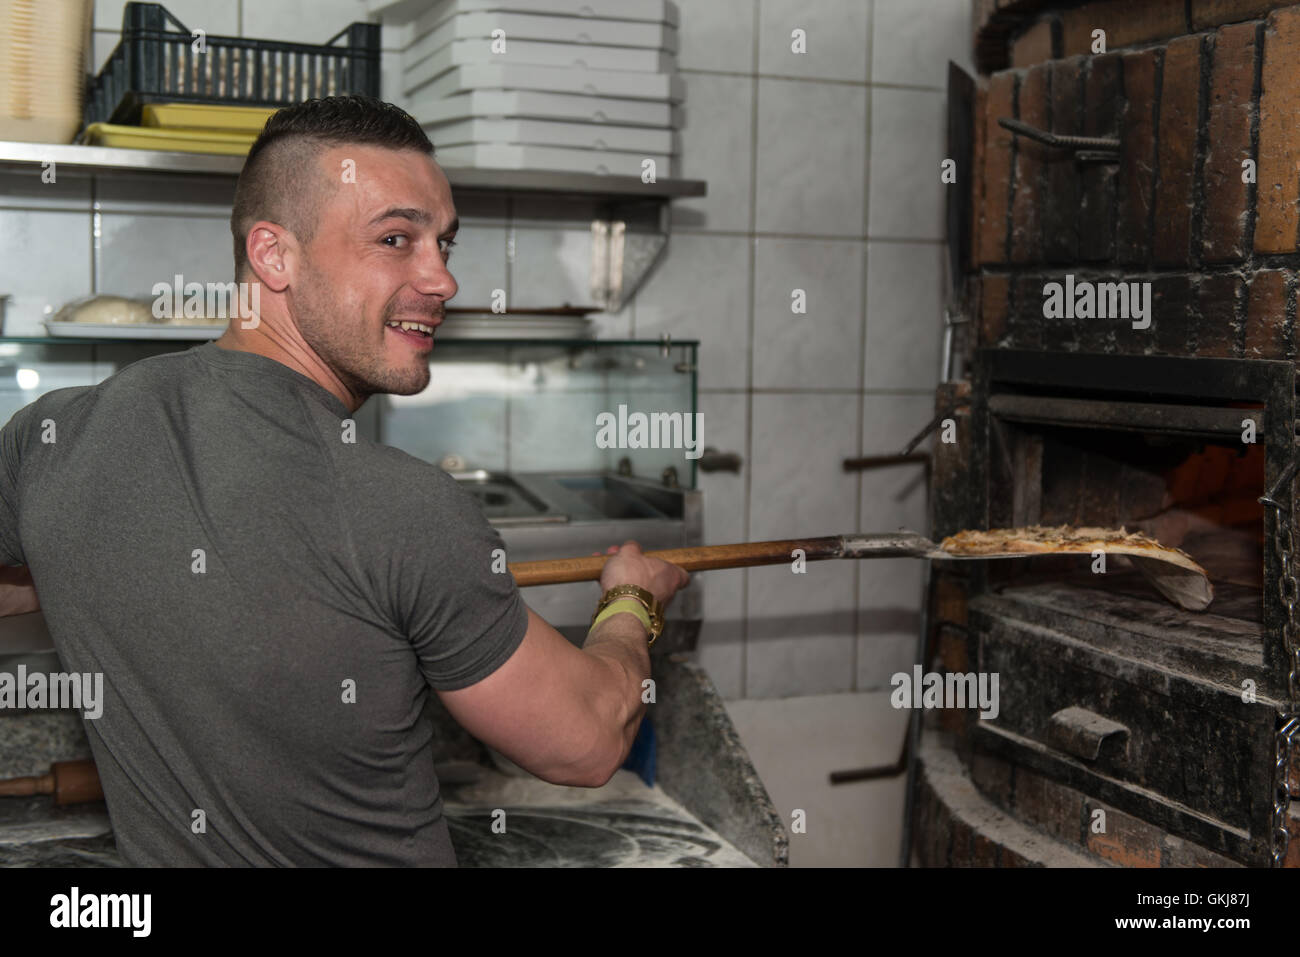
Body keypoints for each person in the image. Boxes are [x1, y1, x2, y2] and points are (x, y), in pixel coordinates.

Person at [0, 95, 689, 866]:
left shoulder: (54, 435)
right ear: (274, 255)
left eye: (445, 244)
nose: (443, 280)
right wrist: (630, 604)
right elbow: (586, 742)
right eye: (396, 239)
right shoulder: (404, 506)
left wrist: (71, 560)